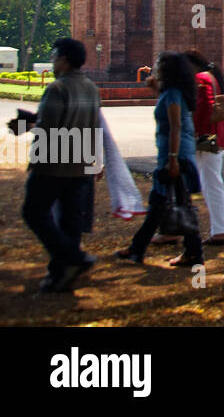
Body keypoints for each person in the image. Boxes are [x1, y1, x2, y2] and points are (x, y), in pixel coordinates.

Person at [15, 37, 102, 293]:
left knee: (34, 212)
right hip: (80, 162)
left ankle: (73, 258)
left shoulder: (57, 88)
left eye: (54, 57)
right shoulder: (91, 87)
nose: (52, 62)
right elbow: (93, 127)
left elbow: (47, 127)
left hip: (53, 164)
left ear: (64, 60)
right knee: (70, 219)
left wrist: (21, 126)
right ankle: (61, 272)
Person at [117, 52, 204, 267]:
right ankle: (190, 252)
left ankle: (140, 249)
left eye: (158, 65)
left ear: (167, 70)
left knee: (167, 203)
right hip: (174, 155)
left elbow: (176, 125)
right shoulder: (173, 92)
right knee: (169, 202)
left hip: (175, 157)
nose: (154, 68)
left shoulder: (173, 93)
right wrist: (156, 89)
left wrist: (173, 159)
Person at [185, 50, 224, 247]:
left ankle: (219, 231)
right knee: (212, 182)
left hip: (205, 139)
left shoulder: (200, 78)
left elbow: (204, 107)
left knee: (210, 183)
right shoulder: (210, 76)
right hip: (214, 137)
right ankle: (219, 230)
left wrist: (193, 130)